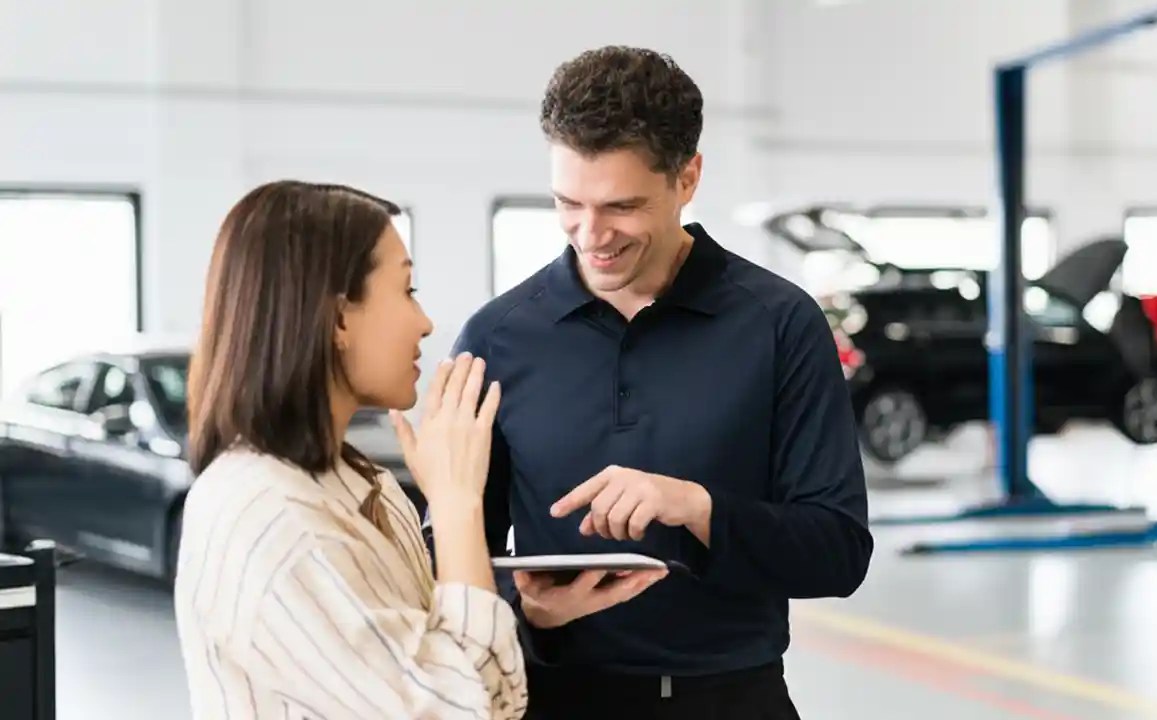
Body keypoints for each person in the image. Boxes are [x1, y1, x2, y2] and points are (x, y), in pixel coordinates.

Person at [453, 46, 874, 719]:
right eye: (568, 203)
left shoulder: (780, 324)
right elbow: (450, 548)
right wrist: (526, 609)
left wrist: (695, 507)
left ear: (688, 177)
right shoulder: (496, 338)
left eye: (621, 206)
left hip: (735, 699)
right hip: (554, 699)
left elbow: (838, 553)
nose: (591, 235)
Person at [174, 180, 528, 719]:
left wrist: (535, 615)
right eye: (407, 291)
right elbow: (461, 710)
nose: (427, 322)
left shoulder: (370, 486)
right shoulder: (274, 520)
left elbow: (451, 663)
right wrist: (457, 502)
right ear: (339, 318)